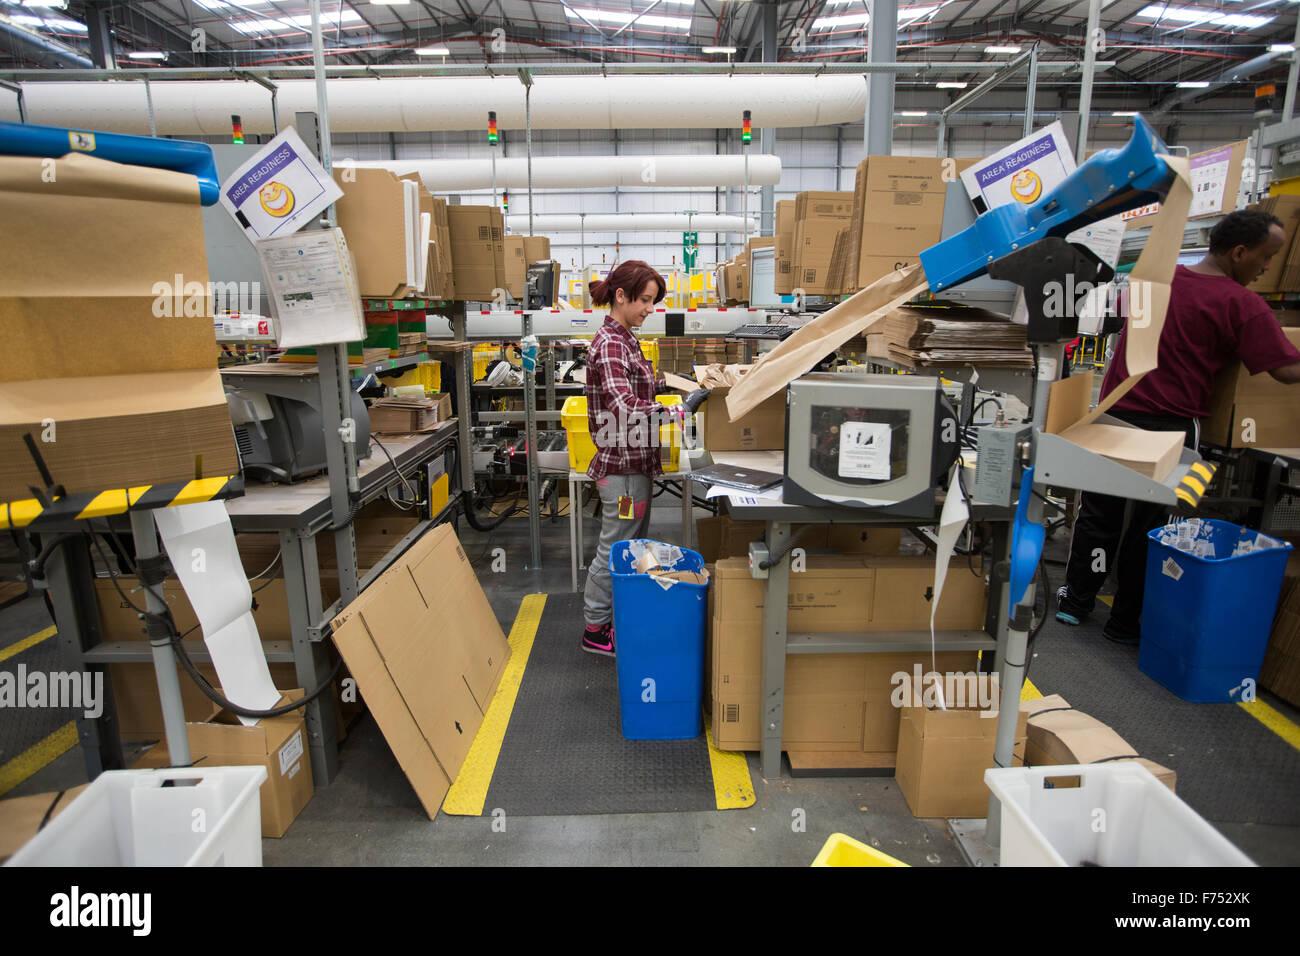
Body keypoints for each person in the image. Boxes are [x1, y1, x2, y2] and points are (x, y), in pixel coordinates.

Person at [1056, 209, 1300, 644]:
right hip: (1172, 428)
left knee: (1099, 516)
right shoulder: (1242, 304)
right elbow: (1285, 369)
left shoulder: (1154, 281)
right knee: (1151, 527)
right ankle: (1125, 622)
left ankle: (1076, 602)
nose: (1266, 268)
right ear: (1240, 252)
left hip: (1115, 415)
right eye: (1266, 257)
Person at [580, 260, 674, 656]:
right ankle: (595, 630)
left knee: (630, 543)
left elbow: (642, 385)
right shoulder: (612, 343)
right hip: (621, 468)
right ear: (621, 296)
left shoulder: (626, 338)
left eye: (654, 301)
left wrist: (676, 385)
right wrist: (671, 413)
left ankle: (616, 618)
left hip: (635, 464)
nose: (650, 309)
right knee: (616, 546)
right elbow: (621, 403)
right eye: (646, 301)